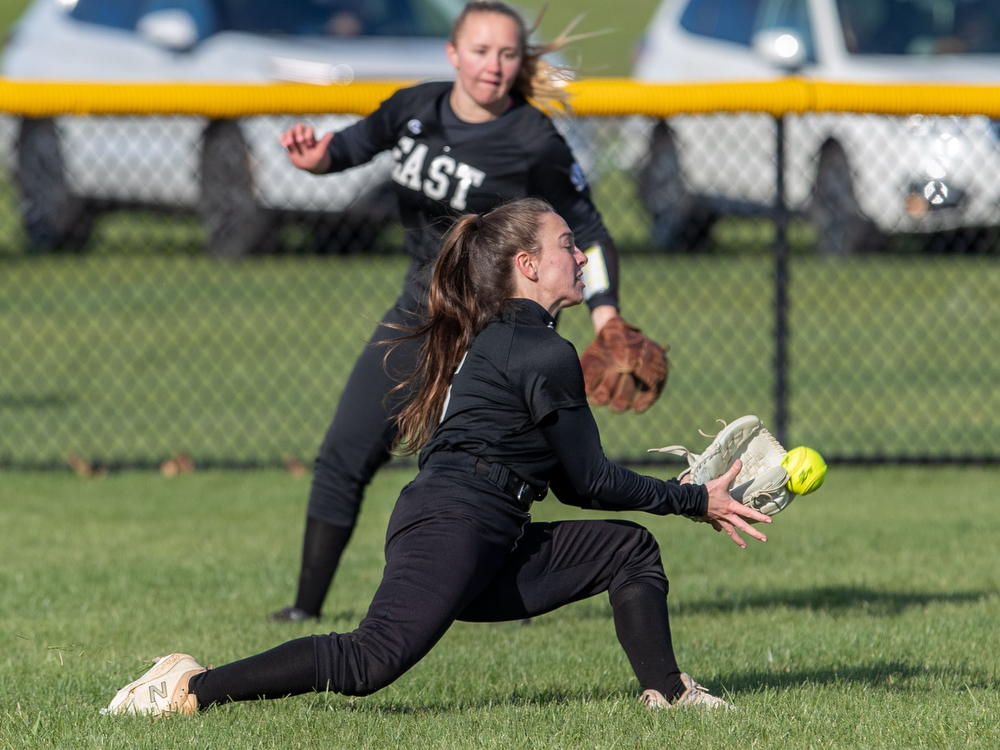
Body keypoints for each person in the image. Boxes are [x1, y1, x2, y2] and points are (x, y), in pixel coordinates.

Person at [105, 199, 769, 716]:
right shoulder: (542, 352)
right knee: (367, 662)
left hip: (486, 531)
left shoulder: (518, 340)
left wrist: (682, 493)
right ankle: (189, 688)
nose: (580, 254)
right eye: (568, 244)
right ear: (528, 265)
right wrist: (692, 499)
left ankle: (669, 693)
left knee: (629, 551)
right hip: (453, 524)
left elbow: (576, 486)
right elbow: (593, 477)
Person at [271, 1, 667, 622]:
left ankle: (501, 593)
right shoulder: (415, 108)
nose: (495, 65)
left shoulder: (532, 138)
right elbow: (347, 147)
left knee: (489, 474)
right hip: (422, 312)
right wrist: (314, 156)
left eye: (508, 53)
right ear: (453, 53)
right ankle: (303, 611)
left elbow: (588, 232)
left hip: (497, 334)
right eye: (481, 51)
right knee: (345, 451)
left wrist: (605, 314)